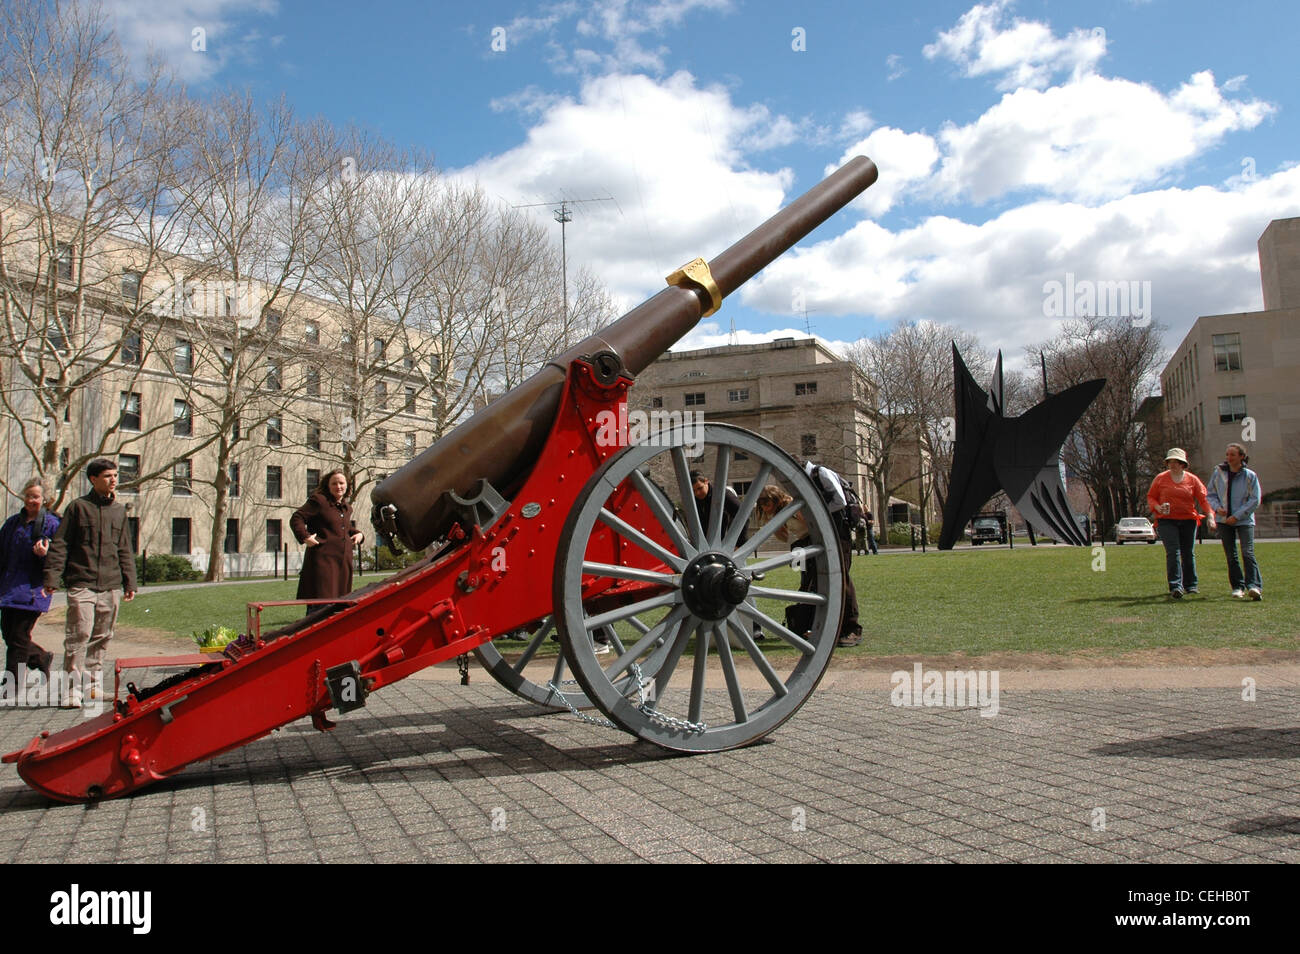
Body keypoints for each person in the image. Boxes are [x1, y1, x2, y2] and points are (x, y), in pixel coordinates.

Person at [42, 458, 137, 708]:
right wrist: (52, 577)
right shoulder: (78, 507)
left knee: (102, 636)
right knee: (79, 634)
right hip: (81, 582)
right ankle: (71, 690)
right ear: (93, 479)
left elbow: (125, 548)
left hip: (111, 584)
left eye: (115, 475)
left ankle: (93, 688)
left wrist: (130, 582)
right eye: (108, 476)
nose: (113, 479)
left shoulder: (119, 511)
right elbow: (61, 544)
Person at [756, 484, 862, 648]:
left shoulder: (793, 506)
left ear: (776, 499)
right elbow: (784, 538)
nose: (765, 508)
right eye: (762, 505)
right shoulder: (779, 513)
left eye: (767, 504)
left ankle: (844, 626)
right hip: (801, 546)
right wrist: (773, 523)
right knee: (807, 585)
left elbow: (813, 525)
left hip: (813, 543)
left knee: (825, 583)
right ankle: (809, 623)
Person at [1, 477, 60, 687]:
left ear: (45, 499)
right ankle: (39, 657)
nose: (30, 500)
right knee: (9, 633)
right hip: (9, 588)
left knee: (18, 636)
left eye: (35, 496)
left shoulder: (51, 524)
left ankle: (12, 683)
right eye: (27, 496)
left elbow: (60, 557)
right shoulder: (12, 523)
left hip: (34, 590)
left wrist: (45, 554)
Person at [1146, 448, 1215, 599]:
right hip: (1166, 521)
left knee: (1188, 553)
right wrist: (1158, 507)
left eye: (1176, 462)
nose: (1173, 465)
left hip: (1188, 520)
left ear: (1183, 464)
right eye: (1170, 461)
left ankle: (1191, 585)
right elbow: (1151, 497)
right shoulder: (1160, 478)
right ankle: (1176, 585)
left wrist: (1210, 515)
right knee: (1173, 552)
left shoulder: (1192, 480)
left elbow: (1204, 499)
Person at [291, 470, 364, 608]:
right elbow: (297, 518)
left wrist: (359, 534)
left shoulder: (346, 508)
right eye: (334, 483)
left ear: (347, 486)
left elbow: (344, 528)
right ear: (328, 486)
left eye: (341, 483)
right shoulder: (319, 501)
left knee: (340, 605)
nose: (338, 486)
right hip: (323, 562)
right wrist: (305, 536)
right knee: (321, 604)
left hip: (343, 563)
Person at [1205, 442, 1263, 600]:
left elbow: (1255, 499)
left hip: (1244, 520)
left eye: (1232, 455)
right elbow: (1210, 494)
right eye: (1227, 454)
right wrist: (1217, 509)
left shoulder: (1249, 475)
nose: (1229, 458)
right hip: (1223, 521)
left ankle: (1254, 586)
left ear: (1241, 457)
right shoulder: (1218, 473)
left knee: (1247, 552)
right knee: (1231, 555)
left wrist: (1237, 516)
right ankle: (1237, 586)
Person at [689, 470, 747, 545]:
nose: (697, 493)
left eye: (700, 488)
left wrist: (738, 543)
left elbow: (743, 514)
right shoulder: (693, 500)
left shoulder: (723, 495)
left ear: (706, 481)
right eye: (693, 490)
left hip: (724, 543)